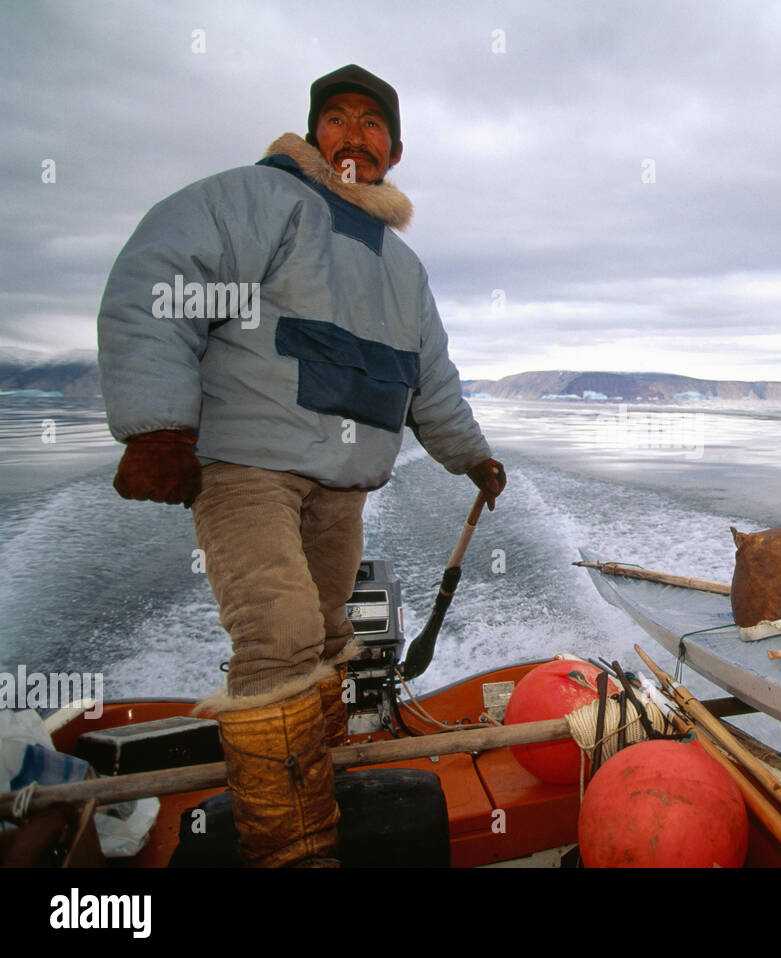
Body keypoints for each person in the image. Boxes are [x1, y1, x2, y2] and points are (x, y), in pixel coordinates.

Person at [97, 65, 505, 867]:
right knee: (278, 636)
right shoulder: (260, 199)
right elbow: (160, 275)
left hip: (343, 487)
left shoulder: (403, 266)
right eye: (338, 118)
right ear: (316, 134)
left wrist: (473, 457)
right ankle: (292, 846)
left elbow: (432, 383)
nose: (356, 133)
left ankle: (312, 784)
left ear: (393, 148)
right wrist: (156, 429)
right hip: (246, 469)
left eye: (373, 123)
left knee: (323, 639)